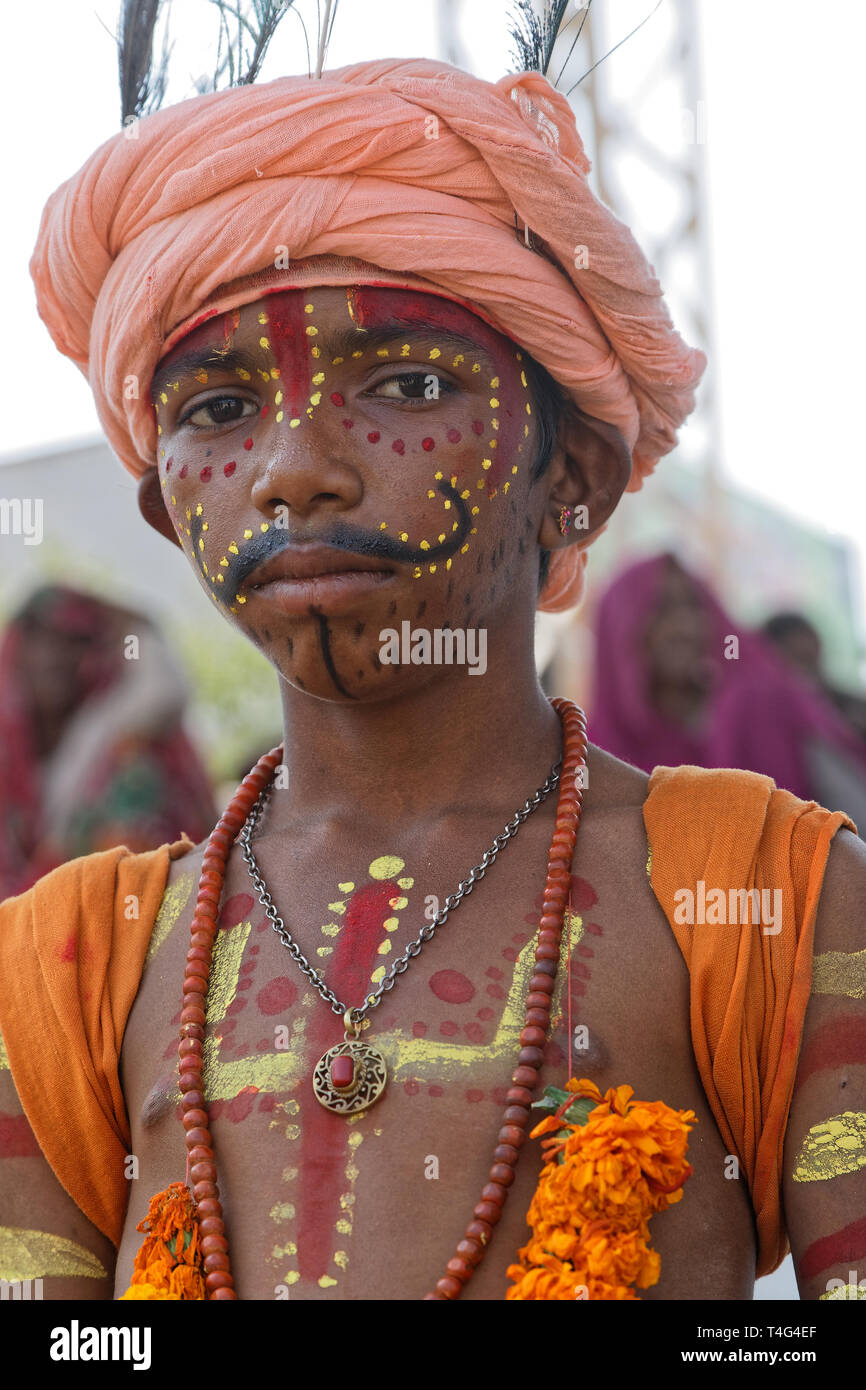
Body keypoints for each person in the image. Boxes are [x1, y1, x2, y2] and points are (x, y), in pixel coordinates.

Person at [0, 55, 864, 1304]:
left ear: (571, 478)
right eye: (221, 407)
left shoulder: (770, 897)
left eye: (405, 383)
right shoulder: (68, 966)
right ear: (162, 509)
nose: (293, 470)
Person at [590, 553, 866, 826]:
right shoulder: (593, 750)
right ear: (619, 625)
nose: (686, 627)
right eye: (661, 609)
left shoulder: (765, 707)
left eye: (694, 605)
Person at [0, 585, 218, 899]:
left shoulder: (107, 728)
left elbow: (164, 691)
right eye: (40, 641)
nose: (53, 659)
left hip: (95, 910)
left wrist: (131, 621)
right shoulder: (11, 753)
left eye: (73, 642)